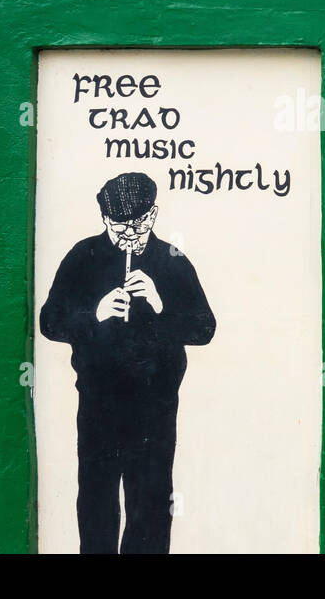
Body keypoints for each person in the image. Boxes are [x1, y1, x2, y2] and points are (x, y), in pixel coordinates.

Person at [40, 171, 215, 554]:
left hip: (155, 406)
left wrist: (160, 304)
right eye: (120, 227)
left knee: (150, 501)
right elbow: (49, 321)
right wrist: (94, 313)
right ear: (104, 219)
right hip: (99, 401)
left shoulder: (172, 260)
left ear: (154, 214)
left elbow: (204, 329)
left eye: (139, 224)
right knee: (97, 499)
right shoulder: (83, 256)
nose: (131, 235)